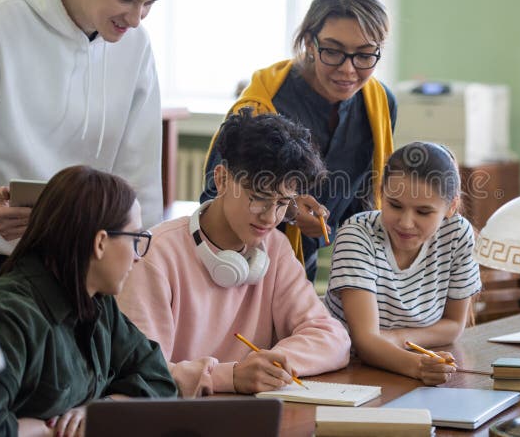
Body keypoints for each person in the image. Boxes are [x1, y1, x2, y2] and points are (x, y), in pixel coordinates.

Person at [0, 0, 174, 298]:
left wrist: (141, 254)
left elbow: (138, 168)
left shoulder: (136, 47)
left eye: (149, 3)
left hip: (74, 262)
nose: (137, 19)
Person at [118, 110, 351, 397]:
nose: (269, 217)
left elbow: (333, 339)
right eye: (258, 198)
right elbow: (140, 372)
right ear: (222, 179)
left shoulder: (275, 249)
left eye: (282, 203)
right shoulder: (155, 255)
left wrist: (271, 365)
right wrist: (230, 376)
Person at [0, 165, 177, 437]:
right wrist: (48, 430)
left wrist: (95, 411)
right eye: (135, 239)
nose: (137, 256)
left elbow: (160, 381)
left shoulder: (98, 301)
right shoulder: (7, 316)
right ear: (101, 243)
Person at [200, 0, 396, 281]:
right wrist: (289, 209)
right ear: (309, 42)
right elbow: (216, 198)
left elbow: (361, 200)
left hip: (303, 271)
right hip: (242, 265)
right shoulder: (262, 105)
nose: (348, 69)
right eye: (333, 51)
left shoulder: (379, 106)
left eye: (365, 54)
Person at [324, 142, 481, 386]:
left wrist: (397, 339)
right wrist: (418, 365)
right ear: (381, 194)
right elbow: (364, 342)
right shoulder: (356, 235)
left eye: (423, 212)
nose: (406, 223)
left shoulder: (458, 233)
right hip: (350, 372)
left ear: (450, 207)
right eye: (395, 205)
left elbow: (453, 326)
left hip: (413, 366)